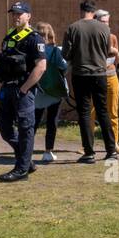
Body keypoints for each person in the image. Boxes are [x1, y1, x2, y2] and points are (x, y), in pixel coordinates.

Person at [0, 1, 47, 182]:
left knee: (25, 128)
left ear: (28, 16)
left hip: (23, 90)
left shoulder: (34, 38)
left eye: (20, 14)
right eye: (14, 14)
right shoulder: (9, 36)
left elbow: (41, 67)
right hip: (7, 87)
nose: (16, 17)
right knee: (5, 128)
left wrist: (24, 89)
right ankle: (26, 160)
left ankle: (21, 169)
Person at [63, 0, 117, 163]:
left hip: (80, 74)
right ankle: (111, 150)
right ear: (94, 12)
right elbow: (108, 51)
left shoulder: (72, 28)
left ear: (81, 10)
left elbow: (65, 54)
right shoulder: (104, 28)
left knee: (85, 113)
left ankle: (89, 152)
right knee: (103, 112)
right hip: (100, 74)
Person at [34, 22, 69, 163]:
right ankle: (48, 151)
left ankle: (25, 147)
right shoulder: (55, 51)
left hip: (38, 89)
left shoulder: (33, 51)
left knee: (34, 121)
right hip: (54, 90)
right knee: (52, 120)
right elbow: (64, 67)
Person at [93, 8, 119, 155]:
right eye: (102, 22)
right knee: (92, 112)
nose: (106, 25)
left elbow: (118, 61)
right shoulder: (91, 37)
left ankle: (115, 143)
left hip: (111, 76)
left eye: (107, 22)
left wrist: (116, 52)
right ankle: (87, 144)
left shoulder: (112, 37)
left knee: (113, 111)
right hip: (94, 77)